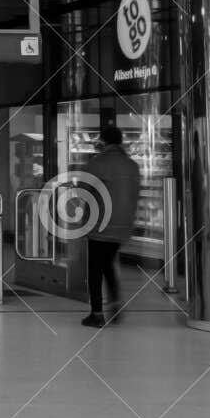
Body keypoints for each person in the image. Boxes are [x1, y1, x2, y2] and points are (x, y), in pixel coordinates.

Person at [80, 124, 141, 328]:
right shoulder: (132, 165)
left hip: (100, 225)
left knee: (95, 268)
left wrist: (83, 219)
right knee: (108, 264)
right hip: (123, 225)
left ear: (103, 141)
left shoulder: (97, 163)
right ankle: (115, 301)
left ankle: (96, 314)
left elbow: (84, 191)